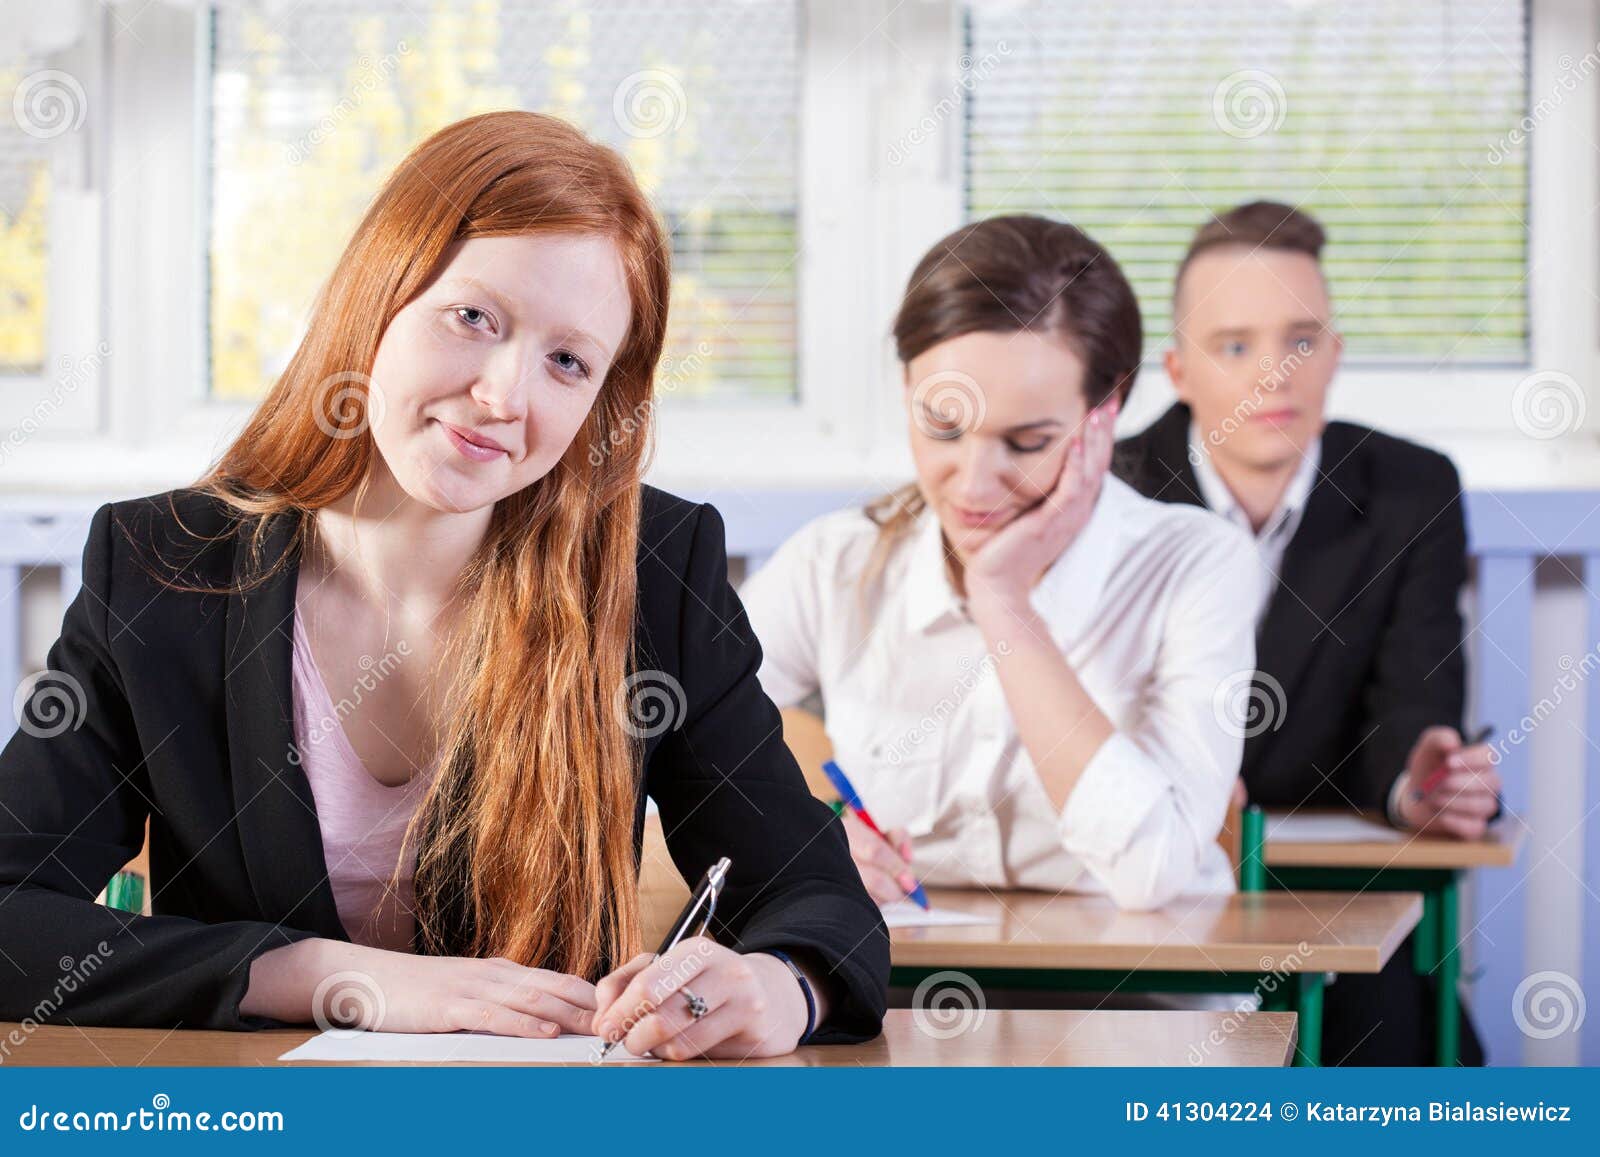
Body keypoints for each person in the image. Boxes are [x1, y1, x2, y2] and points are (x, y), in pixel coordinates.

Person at [0, 111, 886, 1061]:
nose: (505, 396)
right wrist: (327, 974)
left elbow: (821, 904)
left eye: (567, 362)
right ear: (380, 290)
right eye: (474, 318)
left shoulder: (652, 567)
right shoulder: (161, 564)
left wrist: (778, 986)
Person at [740, 215, 1260, 913]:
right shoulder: (836, 563)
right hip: (897, 973)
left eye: (1027, 442)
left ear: (1105, 413)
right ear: (906, 386)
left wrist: (1003, 601)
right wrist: (797, 835)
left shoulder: (1196, 565)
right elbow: (652, 767)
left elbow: (1151, 869)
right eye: (942, 426)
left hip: (1142, 975)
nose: (974, 484)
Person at [1113, 199, 1500, 1064]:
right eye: (1234, 346)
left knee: (1406, 1060)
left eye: (1300, 341)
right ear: (1178, 370)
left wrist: (1419, 782)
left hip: (1331, 895)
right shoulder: (1111, 487)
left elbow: (1411, 703)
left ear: (1335, 354)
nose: (1272, 376)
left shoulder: (1411, 488)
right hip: (1144, 884)